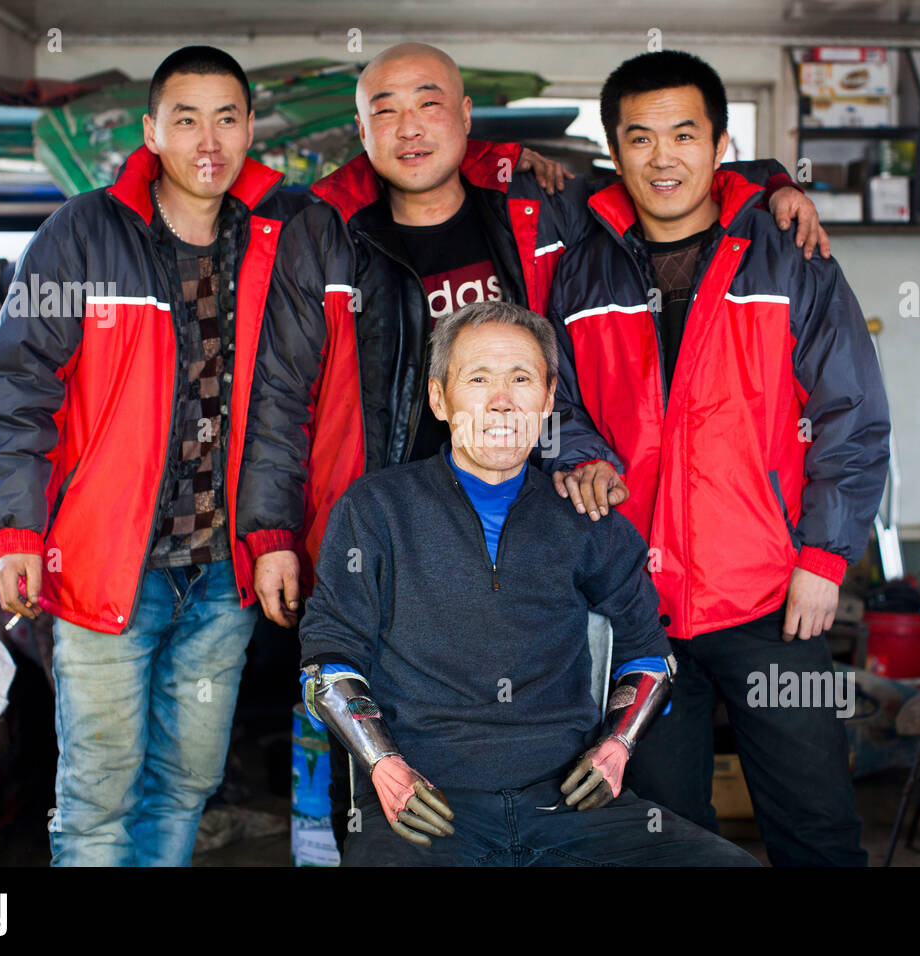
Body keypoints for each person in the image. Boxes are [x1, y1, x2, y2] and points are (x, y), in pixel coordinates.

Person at [234, 42, 828, 843]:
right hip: (380, 525)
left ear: (467, 117)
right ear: (361, 131)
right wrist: (272, 532)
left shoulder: (536, 209)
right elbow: (279, 393)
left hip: (529, 513)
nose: (409, 128)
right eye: (385, 110)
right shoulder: (329, 229)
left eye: (429, 104)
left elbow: (664, 177)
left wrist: (776, 186)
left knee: (544, 718)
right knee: (367, 742)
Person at [545, 50, 891, 866]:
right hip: (634, 606)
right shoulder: (577, 269)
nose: (663, 158)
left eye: (683, 134)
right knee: (666, 832)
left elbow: (854, 413)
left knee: (815, 822)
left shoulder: (788, 254)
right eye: (640, 138)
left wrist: (825, 557)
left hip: (773, 594)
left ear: (721, 143)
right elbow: (549, 403)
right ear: (615, 149)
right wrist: (583, 451)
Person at [0, 46, 311, 866]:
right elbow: (17, 382)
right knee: (98, 790)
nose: (209, 139)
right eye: (187, 118)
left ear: (249, 129)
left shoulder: (274, 239)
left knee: (187, 779)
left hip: (220, 578)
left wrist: (272, 538)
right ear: (152, 131)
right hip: (106, 566)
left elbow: (283, 405)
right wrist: (15, 530)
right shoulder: (83, 234)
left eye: (227, 118)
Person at [297, 300, 759, 866]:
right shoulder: (376, 510)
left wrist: (617, 748)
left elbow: (650, 654)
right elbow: (327, 660)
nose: (502, 400)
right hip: (426, 804)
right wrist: (386, 769)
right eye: (479, 379)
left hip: (569, 807)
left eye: (521, 379)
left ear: (546, 399)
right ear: (440, 398)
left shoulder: (584, 517)